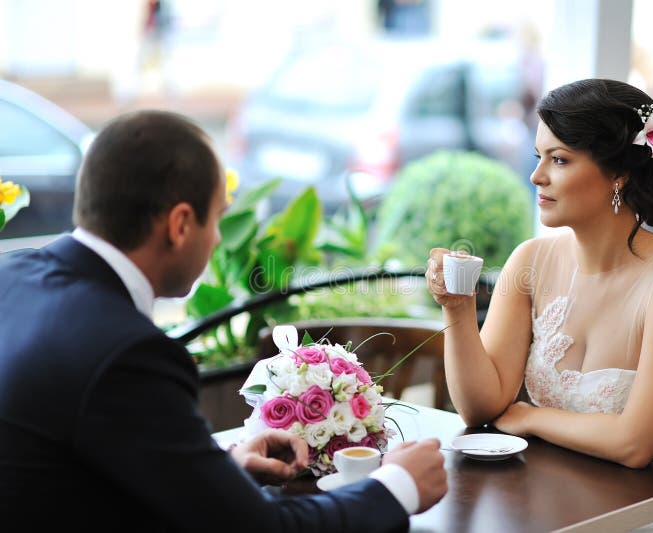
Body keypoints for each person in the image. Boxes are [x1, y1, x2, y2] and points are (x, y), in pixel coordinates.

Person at [0, 110, 447, 531]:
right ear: (180, 225)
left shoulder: (11, 276)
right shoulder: (126, 351)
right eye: (217, 217)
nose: (216, 237)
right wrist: (398, 486)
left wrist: (220, 473)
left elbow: (69, 470)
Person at [426, 79, 653, 531]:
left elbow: (636, 444)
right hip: (565, 511)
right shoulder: (531, 260)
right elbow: (481, 407)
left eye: (560, 160)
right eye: (539, 158)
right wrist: (456, 309)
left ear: (619, 174)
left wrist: (531, 417)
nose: (537, 176)